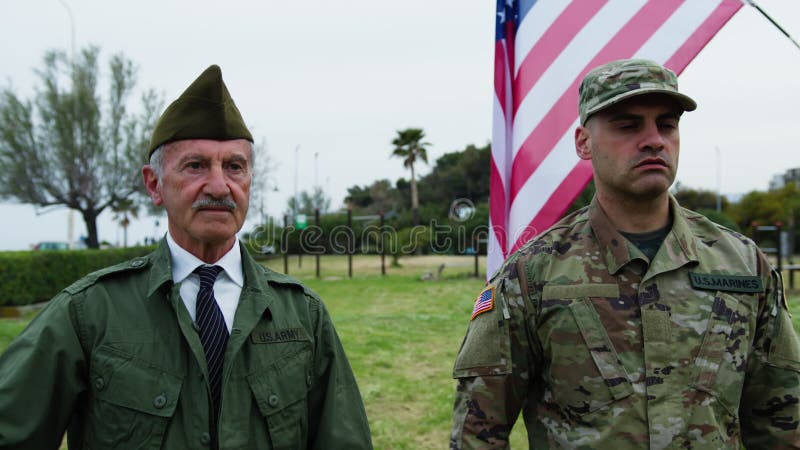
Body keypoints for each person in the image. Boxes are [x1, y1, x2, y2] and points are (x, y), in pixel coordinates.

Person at [0, 65, 373, 450]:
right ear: (154, 184)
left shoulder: (302, 315)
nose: (218, 185)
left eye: (234, 167)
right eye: (195, 166)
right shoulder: (90, 314)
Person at [450, 59, 800, 449]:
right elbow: (478, 432)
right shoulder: (532, 274)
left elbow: (781, 418)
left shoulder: (743, 266)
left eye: (667, 124)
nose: (654, 140)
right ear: (584, 142)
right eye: (628, 125)